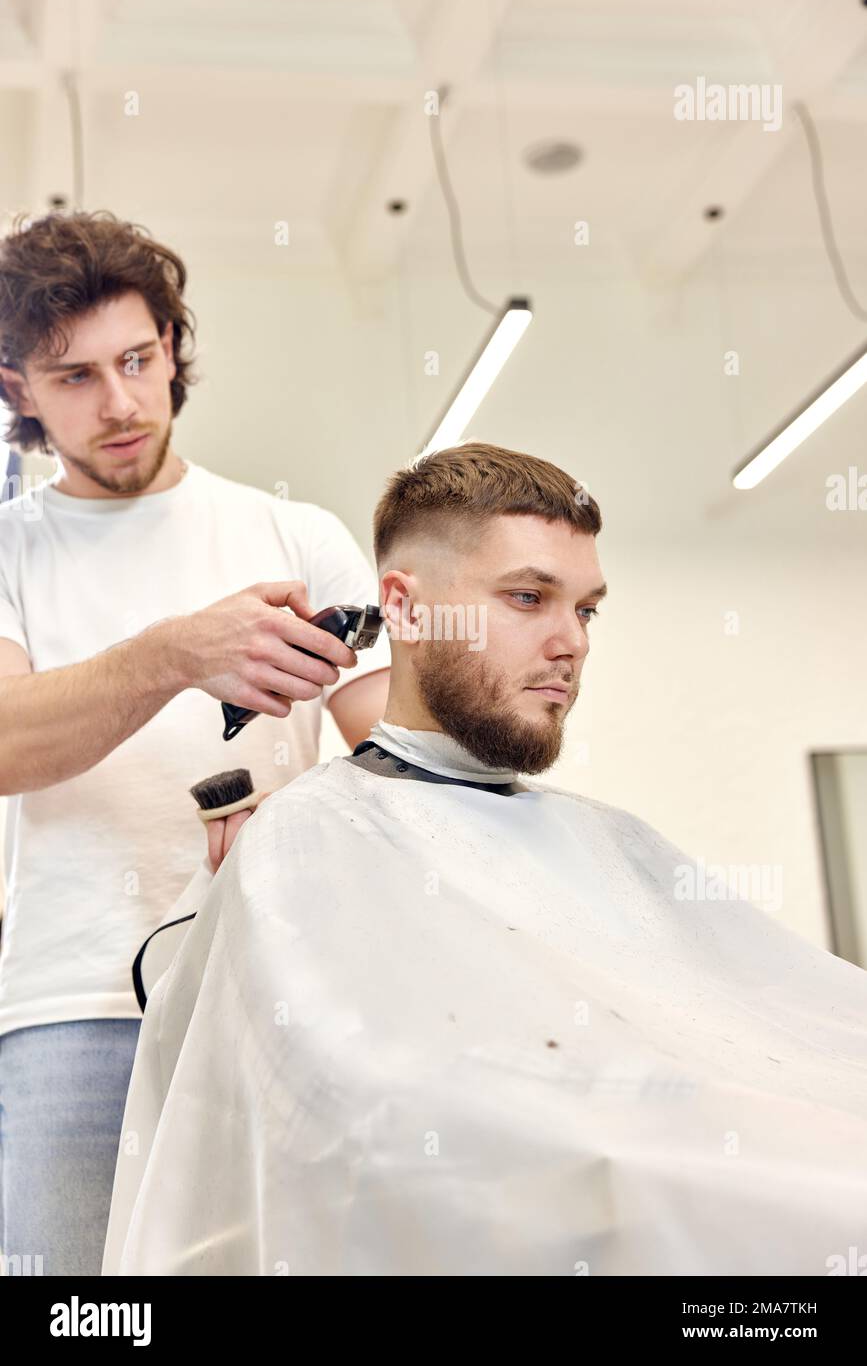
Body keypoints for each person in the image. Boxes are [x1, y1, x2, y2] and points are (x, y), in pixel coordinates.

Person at [103, 441, 867, 1277]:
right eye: (528, 597)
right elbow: (359, 1115)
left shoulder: (608, 842)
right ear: (404, 606)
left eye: (585, 610)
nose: (569, 643)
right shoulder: (301, 840)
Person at [0, 210, 390, 1277]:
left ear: (173, 346)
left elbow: (399, 769)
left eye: (136, 358)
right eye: (73, 375)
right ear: (19, 390)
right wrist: (175, 651)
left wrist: (304, 823)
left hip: (279, 990)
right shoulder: (10, 550)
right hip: (71, 1005)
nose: (120, 402)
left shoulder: (297, 536)